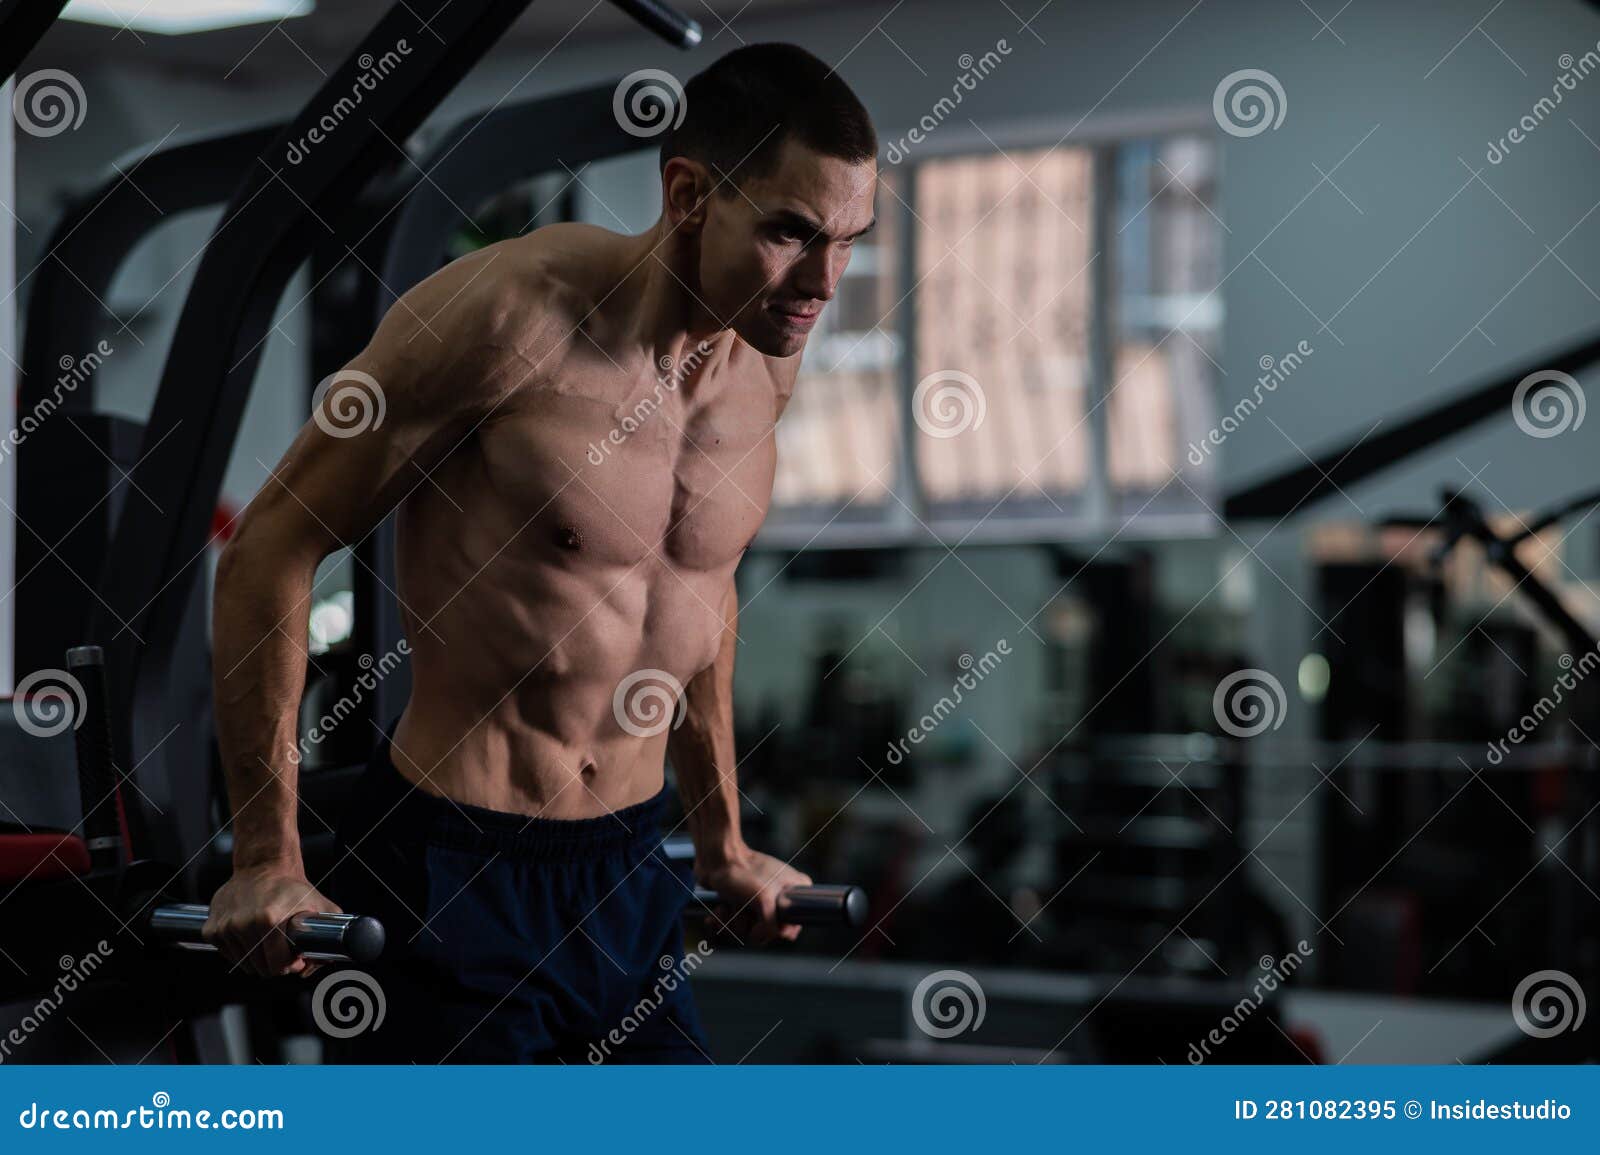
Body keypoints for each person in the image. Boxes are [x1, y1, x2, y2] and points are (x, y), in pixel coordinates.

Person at [203, 42, 879, 1063]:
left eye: (848, 240)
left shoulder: (760, 361)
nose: (824, 281)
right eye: (791, 233)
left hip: (629, 868)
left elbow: (700, 592)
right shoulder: (504, 320)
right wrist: (266, 857)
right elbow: (271, 545)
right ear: (688, 193)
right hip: (459, 866)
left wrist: (724, 843)